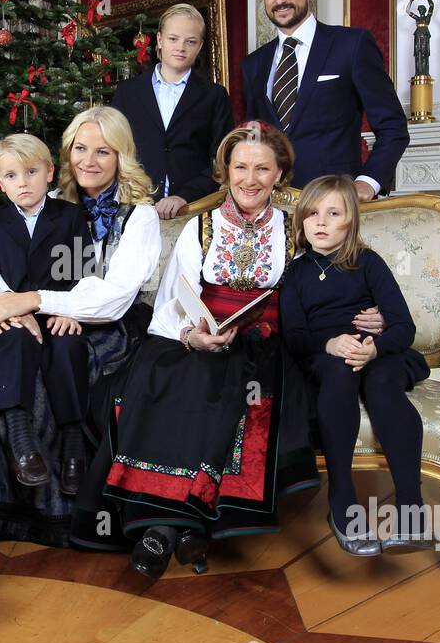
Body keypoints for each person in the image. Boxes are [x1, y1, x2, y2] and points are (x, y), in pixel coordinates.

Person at [70, 122, 326, 579]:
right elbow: (173, 296)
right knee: (162, 376)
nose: (250, 179)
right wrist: (193, 335)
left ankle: (163, 532)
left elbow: (321, 289)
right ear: (225, 172)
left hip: (261, 346)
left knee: (222, 383)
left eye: (262, 169)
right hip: (197, 333)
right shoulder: (199, 228)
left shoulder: (296, 230)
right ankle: (182, 528)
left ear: (279, 174)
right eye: (241, 167)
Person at [0, 106, 161, 557]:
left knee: (61, 351)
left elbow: (106, 293)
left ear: (122, 156)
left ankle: (63, 495)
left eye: (104, 150)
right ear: (66, 154)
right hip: (32, 315)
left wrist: (49, 304)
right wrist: (7, 308)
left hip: (104, 323)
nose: (90, 160)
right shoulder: (43, 195)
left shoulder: (137, 216)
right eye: (81, 148)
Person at [279, 175, 433, 555]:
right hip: (326, 357)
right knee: (337, 371)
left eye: (333, 213)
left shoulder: (368, 263)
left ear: (351, 221)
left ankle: (412, 512)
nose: (320, 222)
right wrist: (330, 342)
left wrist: (375, 348)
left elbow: (403, 326)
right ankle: (342, 503)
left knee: (381, 384)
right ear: (300, 221)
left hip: (380, 354)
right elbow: (294, 335)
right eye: (312, 213)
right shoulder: (295, 274)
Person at [0, 133, 94, 493]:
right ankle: (21, 440)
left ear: (49, 173)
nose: (23, 183)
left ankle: (72, 445)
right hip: (12, 315)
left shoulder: (70, 217)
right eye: (12, 176)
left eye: (31, 172)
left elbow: (83, 271)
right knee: (13, 340)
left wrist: (73, 309)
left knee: (68, 347)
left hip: (57, 312)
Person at [242, 0, 409, 196]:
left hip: (334, 205)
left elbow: (393, 127)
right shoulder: (254, 64)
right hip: (273, 206)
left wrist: (369, 181)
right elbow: (255, 137)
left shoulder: (351, 45)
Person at [110, 3, 233, 219]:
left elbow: (223, 161)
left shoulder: (214, 96)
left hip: (194, 209)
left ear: (200, 46)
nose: (181, 47)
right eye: (173, 39)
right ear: (159, 40)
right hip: (134, 208)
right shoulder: (128, 92)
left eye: (190, 41)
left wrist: (184, 196)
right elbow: (113, 151)